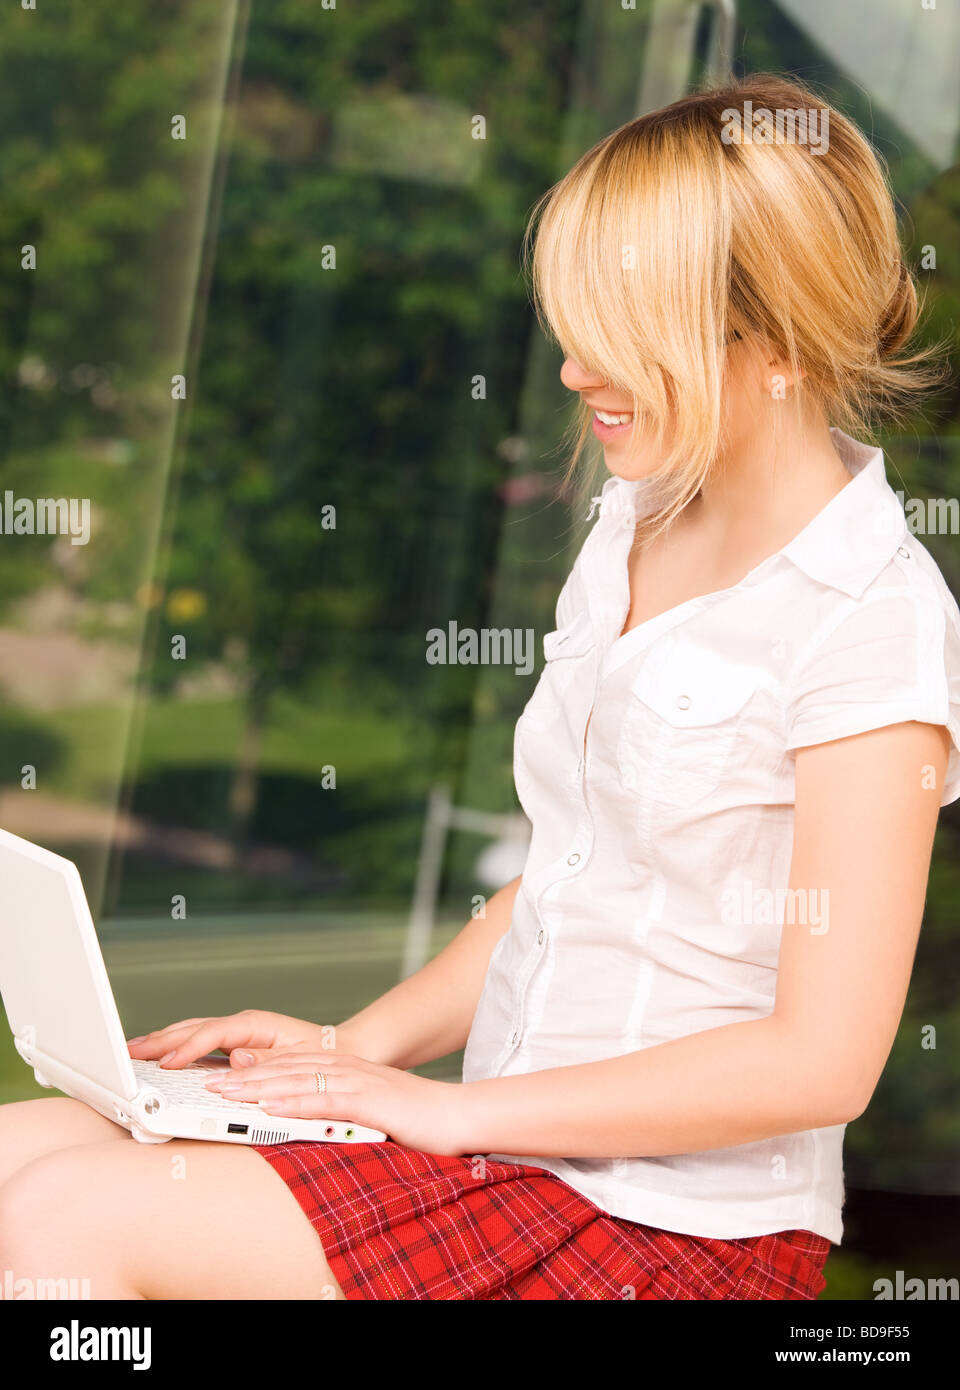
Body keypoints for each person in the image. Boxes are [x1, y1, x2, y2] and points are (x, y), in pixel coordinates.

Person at [1, 73, 958, 1301]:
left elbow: (822, 1062)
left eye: (617, 331)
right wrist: (351, 1053)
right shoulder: (634, 524)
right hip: (508, 1154)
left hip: (670, 1227)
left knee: (70, 1222)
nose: (572, 371)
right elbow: (568, 872)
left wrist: (446, 1113)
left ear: (765, 336)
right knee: (16, 1161)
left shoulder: (871, 618)